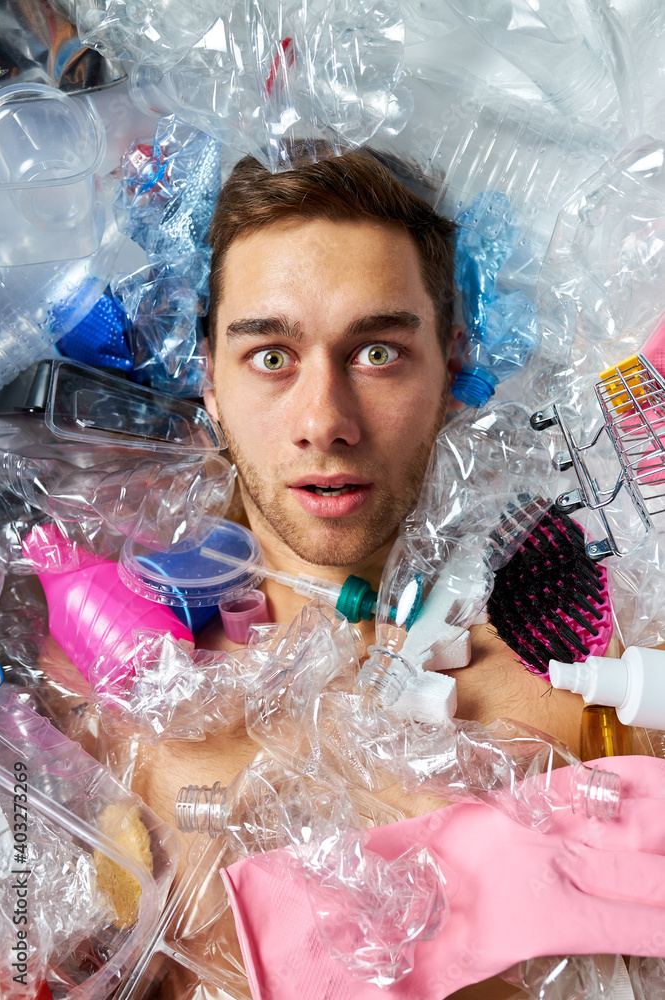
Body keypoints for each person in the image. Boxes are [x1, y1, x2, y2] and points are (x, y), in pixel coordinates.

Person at [122, 143, 590, 999]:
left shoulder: (575, 677)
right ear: (208, 386)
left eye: (376, 352)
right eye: (271, 355)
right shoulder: (107, 707)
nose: (324, 421)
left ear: (454, 364)